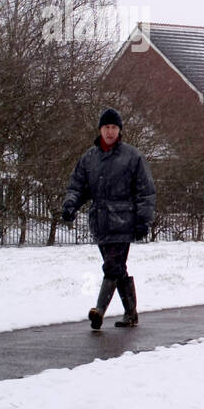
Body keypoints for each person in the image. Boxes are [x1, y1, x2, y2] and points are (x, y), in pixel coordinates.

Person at [62, 108, 156, 328]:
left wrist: (144, 219)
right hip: (101, 223)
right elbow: (78, 186)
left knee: (112, 266)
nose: (110, 131)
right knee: (118, 268)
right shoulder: (89, 158)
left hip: (124, 221)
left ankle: (99, 310)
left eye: (114, 127)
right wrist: (70, 206)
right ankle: (131, 314)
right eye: (107, 127)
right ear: (100, 130)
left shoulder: (133, 157)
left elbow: (146, 191)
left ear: (120, 130)